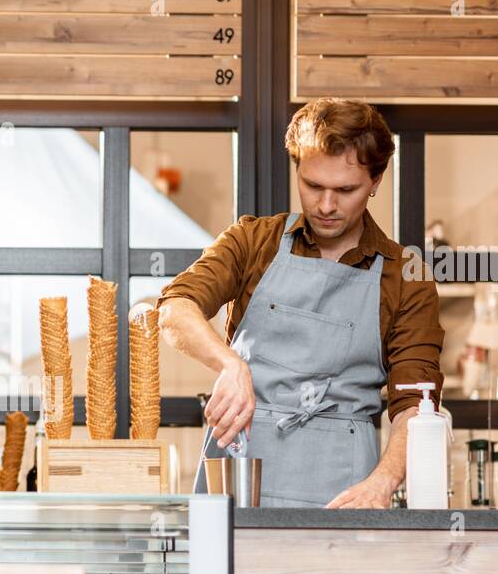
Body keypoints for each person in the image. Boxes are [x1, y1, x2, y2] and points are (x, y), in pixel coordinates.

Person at [158, 98, 445, 507]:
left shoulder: (406, 277)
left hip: (346, 491)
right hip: (241, 478)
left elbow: (416, 404)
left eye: (345, 190)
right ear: (297, 169)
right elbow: (174, 308)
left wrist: (383, 483)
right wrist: (229, 364)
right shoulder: (252, 241)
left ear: (377, 180)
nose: (326, 206)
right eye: (313, 186)